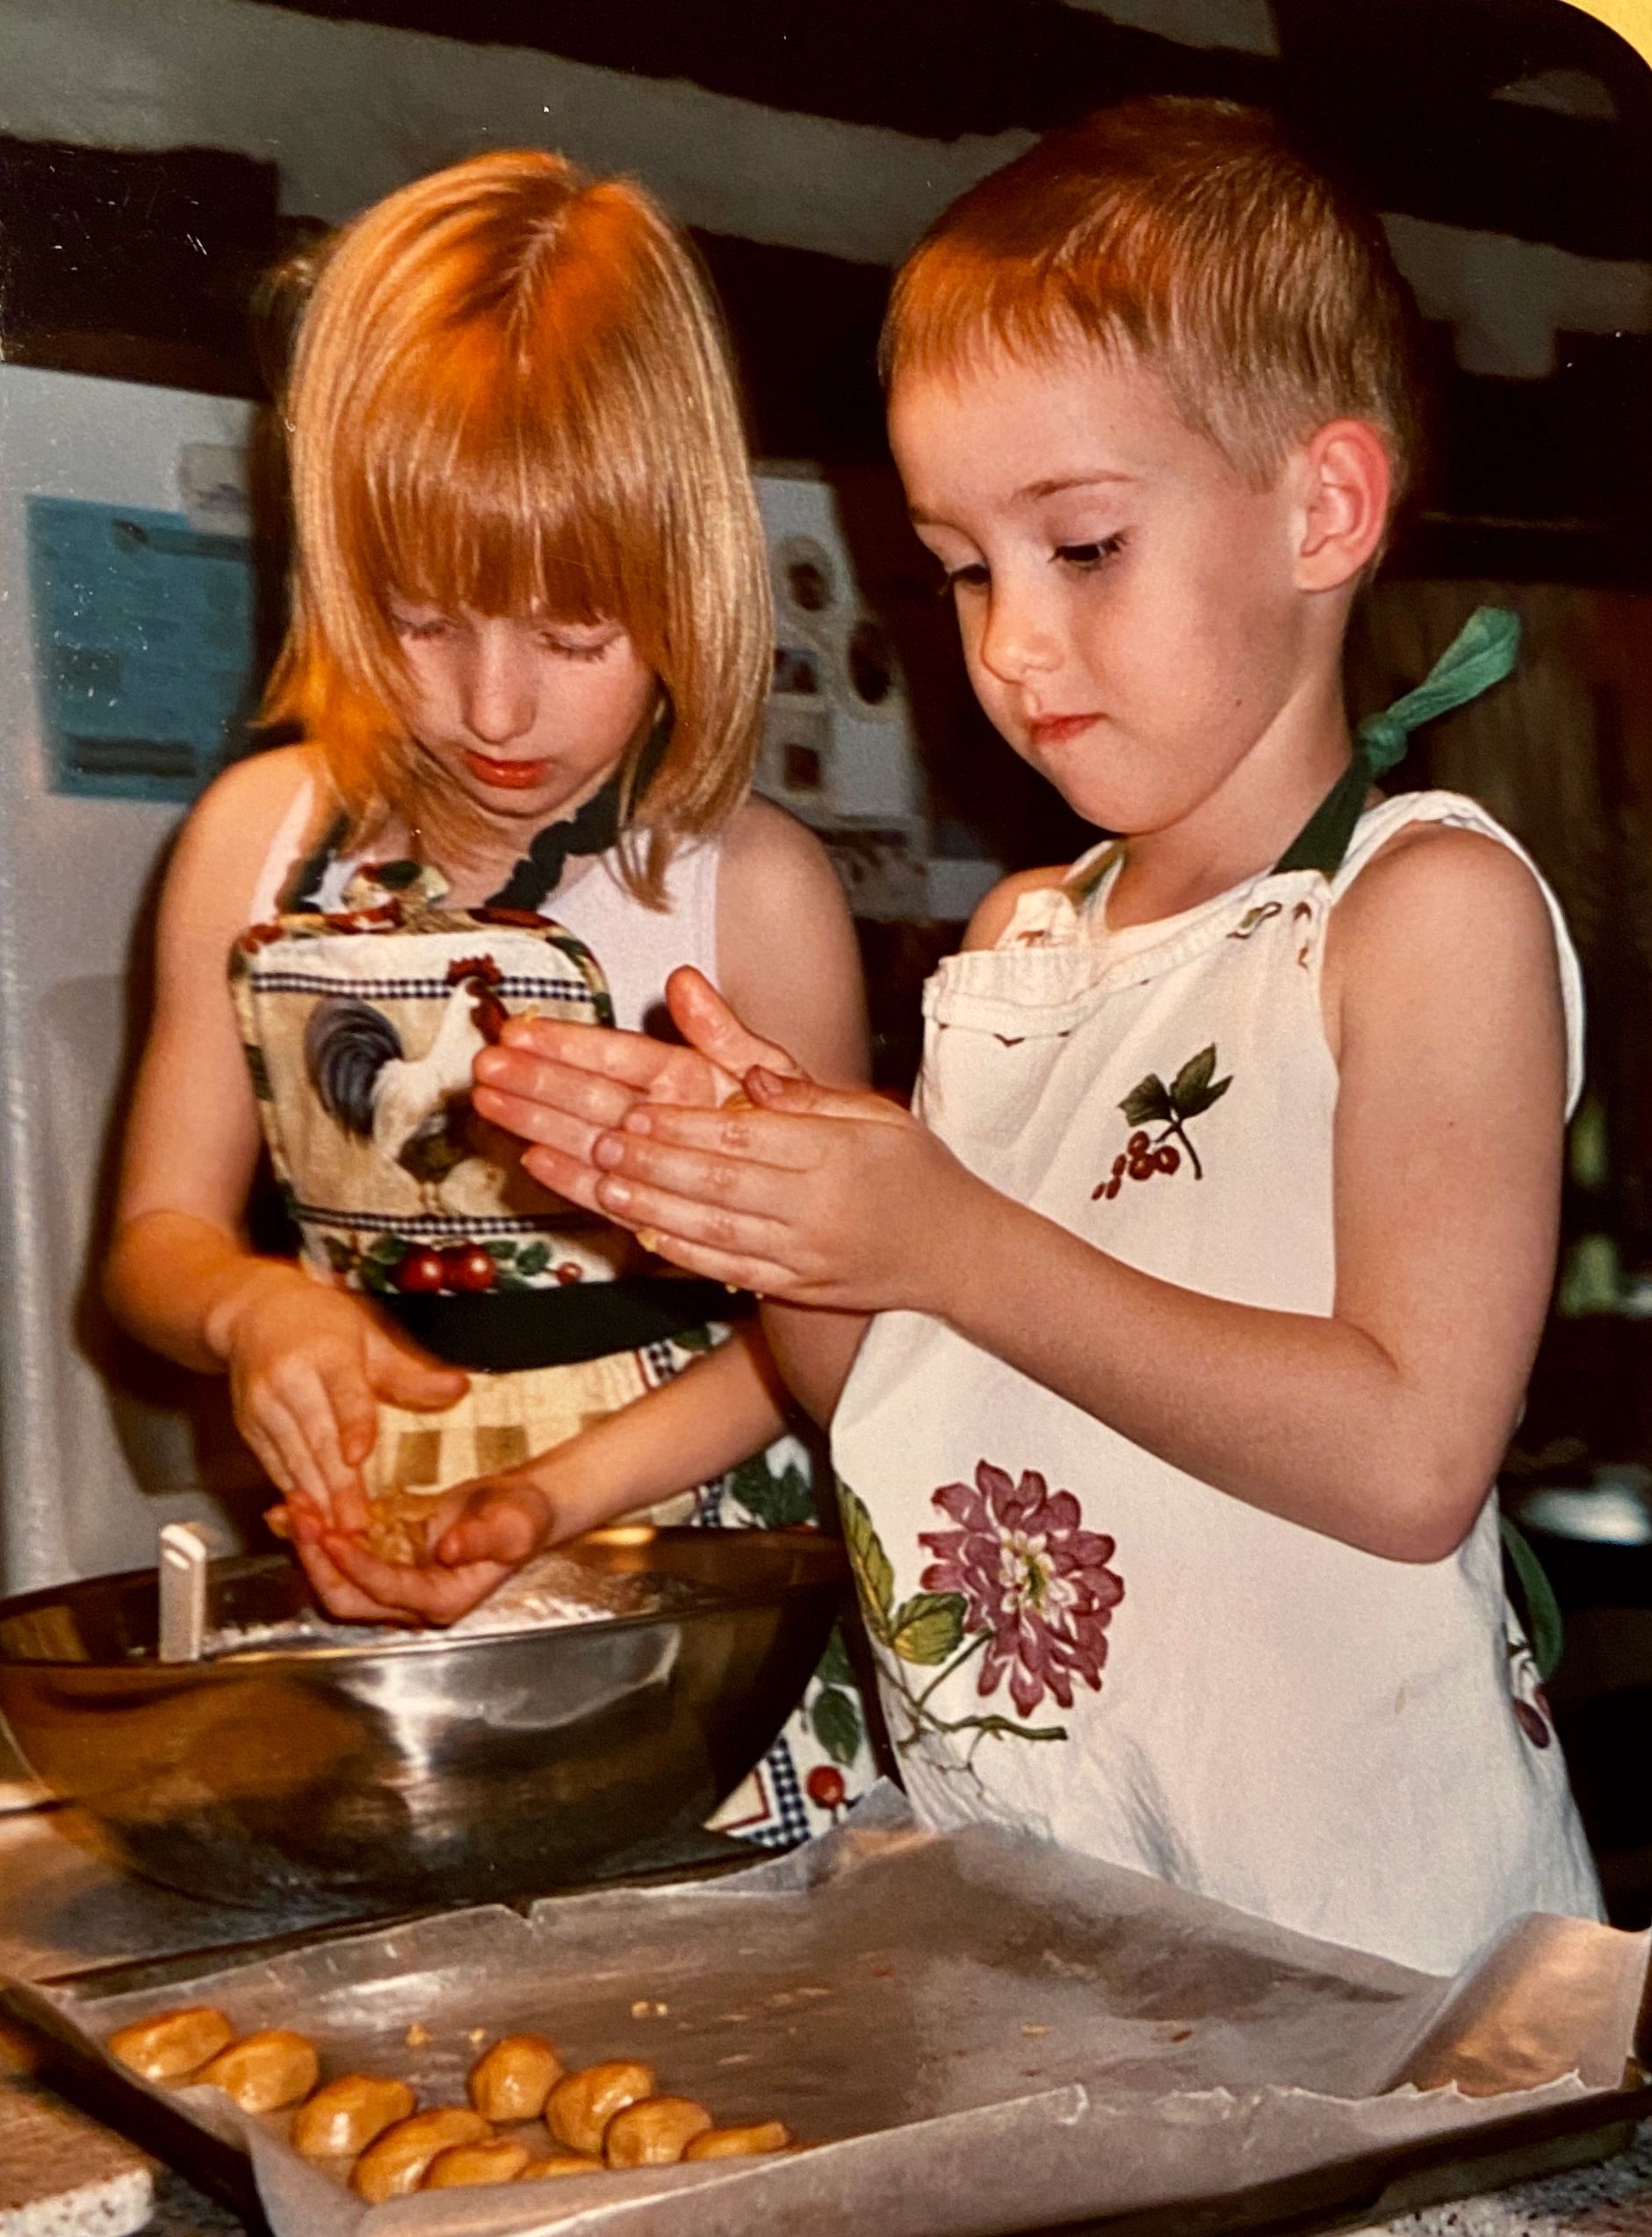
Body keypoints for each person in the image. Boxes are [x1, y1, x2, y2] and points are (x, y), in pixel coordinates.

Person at [467, 101, 1605, 1969]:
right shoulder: (1022, 942)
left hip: (1372, 1961)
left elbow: (1409, 1455)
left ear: (1320, 507)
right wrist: (763, 1209)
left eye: (1078, 545)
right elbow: (894, 1386)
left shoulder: (1418, 913)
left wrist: (945, 1232)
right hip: (1047, 1916)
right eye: (963, 567)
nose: (1004, 642)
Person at [105, 148, 876, 1846]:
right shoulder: (257, 844)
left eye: (578, 630)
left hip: (701, 1607)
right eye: (423, 618)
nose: (494, 703)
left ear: (689, 572)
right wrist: (252, 1316)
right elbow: (154, 1240)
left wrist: (551, 1493)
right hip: (375, 1578)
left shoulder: (752, 898)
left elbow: (818, 1342)